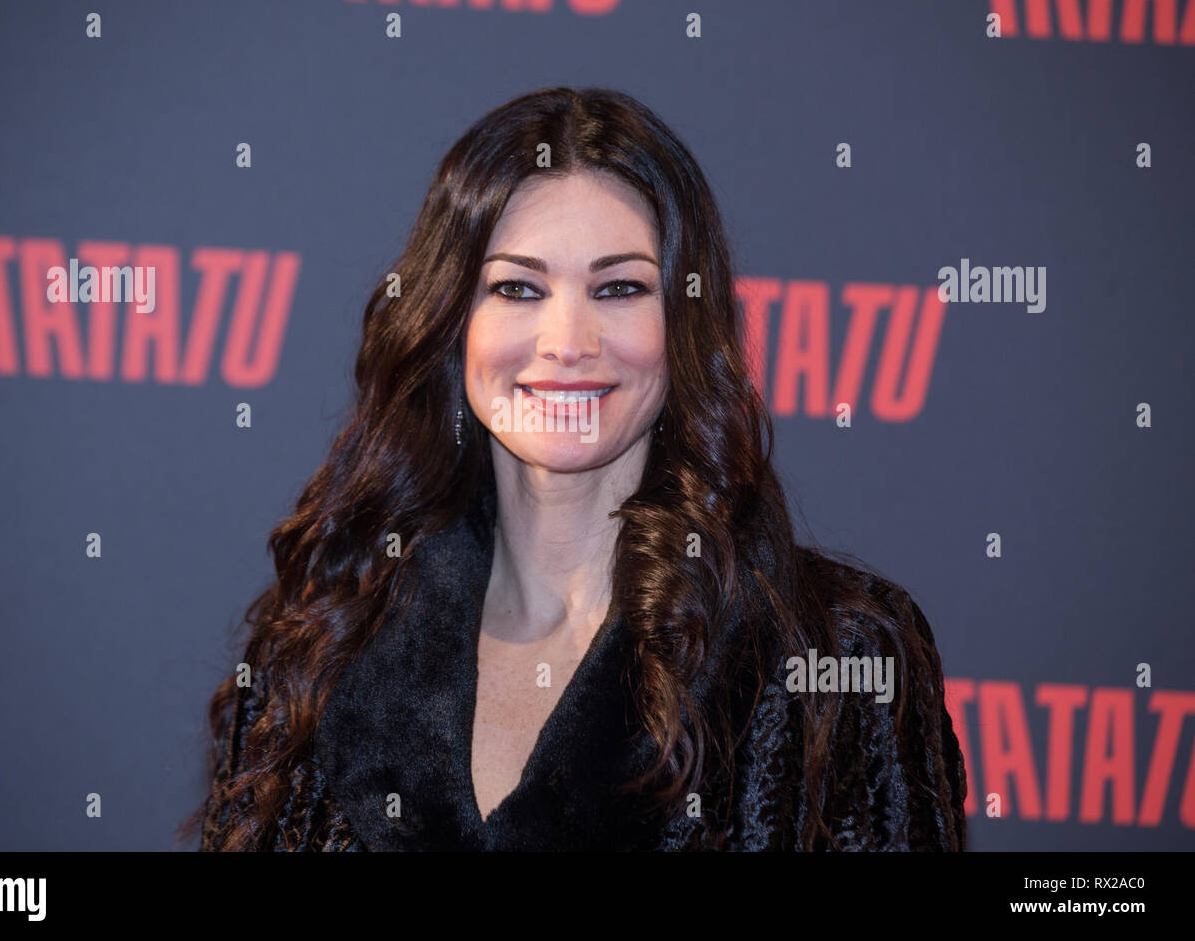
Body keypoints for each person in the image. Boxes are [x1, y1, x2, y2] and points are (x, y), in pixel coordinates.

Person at [188, 86, 967, 851]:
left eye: (620, 288)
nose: (567, 342)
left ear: (686, 325)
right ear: (451, 322)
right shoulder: (321, 641)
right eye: (517, 288)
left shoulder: (837, 656)